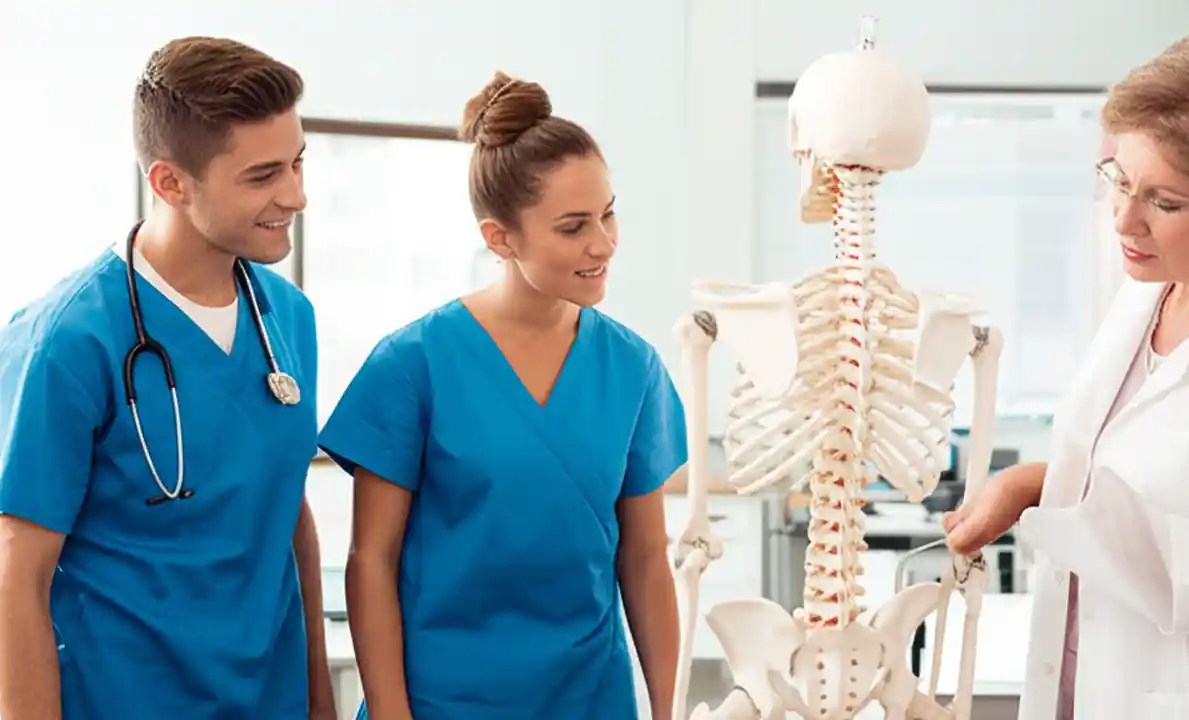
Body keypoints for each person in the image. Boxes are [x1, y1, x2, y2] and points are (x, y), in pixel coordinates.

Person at [318, 71, 687, 719]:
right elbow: (371, 561)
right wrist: (392, 713)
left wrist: (668, 708)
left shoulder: (633, 367)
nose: (602, 243)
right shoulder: (413, 364)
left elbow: (647, 557)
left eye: (607, 213)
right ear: (500, 238)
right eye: (572, 227)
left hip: (589, 697)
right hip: (444, 699)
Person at [942, 26, 1189, 719]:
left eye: (1165, 201)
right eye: (1119, 182)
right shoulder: (1146, 290)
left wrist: (1055, 503)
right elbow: (1121, 462)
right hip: (1083, 678)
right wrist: (1037, 486)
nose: (1124, 220)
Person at [0, 37, 336, 718]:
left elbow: (287, 515)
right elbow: (17, 574)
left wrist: (320, 705)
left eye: (297, 162)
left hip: (267, 700)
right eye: (262, 175)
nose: (295, 195)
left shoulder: (289, 321)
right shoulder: (69, 338)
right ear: (170, 182)